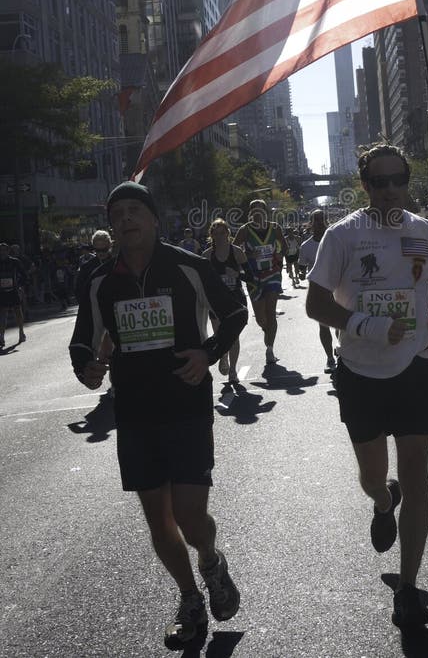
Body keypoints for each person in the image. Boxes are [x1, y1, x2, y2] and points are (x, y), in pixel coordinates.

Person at [69, 182, 248, 650]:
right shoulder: (100, 280)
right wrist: (85, 366)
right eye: (118, 213)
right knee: (158, 521)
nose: (126, 219)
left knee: (190, 515)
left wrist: (207, 355)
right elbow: (82, 337)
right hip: (134, 411)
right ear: (111, 225)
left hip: (186, 405)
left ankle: (210, 561)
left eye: (135, 210)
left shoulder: (189, 266)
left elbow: (234, 313)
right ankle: (190, 599)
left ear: (153, 218)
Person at [305, 142, 428, 631]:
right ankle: (383, 501)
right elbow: (316, 305)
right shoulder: (343, 236)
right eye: (378, 183)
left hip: (415, 366)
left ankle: (407, 588)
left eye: (396, 179)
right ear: (365, 186)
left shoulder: (424, 232)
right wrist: (366, 326)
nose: (389, 191)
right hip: (360, 373)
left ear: (407, 179)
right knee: (372, 478)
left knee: (417, 474)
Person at [233, 199, 287, 365]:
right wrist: (248, 256)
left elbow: (283, 246)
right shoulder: (245, 230)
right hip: (254, 278)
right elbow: (233, 251)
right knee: (261, 319)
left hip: (272, 274)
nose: (257, 211)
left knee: (271, 312)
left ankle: (270, 349)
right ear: (250, 213)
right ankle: (266, 329)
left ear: (265, 211)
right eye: (254, 209)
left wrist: (278, 256)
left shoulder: (275, 228)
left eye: (260, 208)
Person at [202, 218, 251, 384]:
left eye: (222, 233)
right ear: (211, 236)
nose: (219, 236)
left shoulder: (237, 252)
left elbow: (251, 277)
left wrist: (237, 275)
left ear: (228, 234)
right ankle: (223, 356)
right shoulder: (207, 255)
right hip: (216, 301)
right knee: (219, 335)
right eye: (215, 234)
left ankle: (232, 370)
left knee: (233, 336)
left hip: (235, 299)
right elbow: (201, 281)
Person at [298, 210, 336, 373]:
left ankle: (343, 352)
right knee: (324, 325)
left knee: (342, 324)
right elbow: (301, 267)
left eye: (322, 219)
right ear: (311, 223)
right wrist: (302, 272)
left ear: (326, 221)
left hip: (338, 288)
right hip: (320, 291)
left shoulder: (335, 240)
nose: (319, 223)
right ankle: (330, 357)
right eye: (316, 220)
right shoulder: (306, 246)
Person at [75, 230, 113, 303]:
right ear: (94, 248)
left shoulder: (118, 263)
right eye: (98, 250)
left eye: (104, 250)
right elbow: (79, 291)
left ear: (109, 246)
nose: (101, 253)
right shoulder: (86, 268)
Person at [0, 242, 27, 347]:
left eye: (4, 250)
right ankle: (1, 336)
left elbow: (24, 275)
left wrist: (20, 286)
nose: (2, 252)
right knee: (3, 313)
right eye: (0, 250)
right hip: (2, 291)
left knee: (18, 311)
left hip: (13, 290)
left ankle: (21, 332)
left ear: (8, 251)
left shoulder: (14, 262)